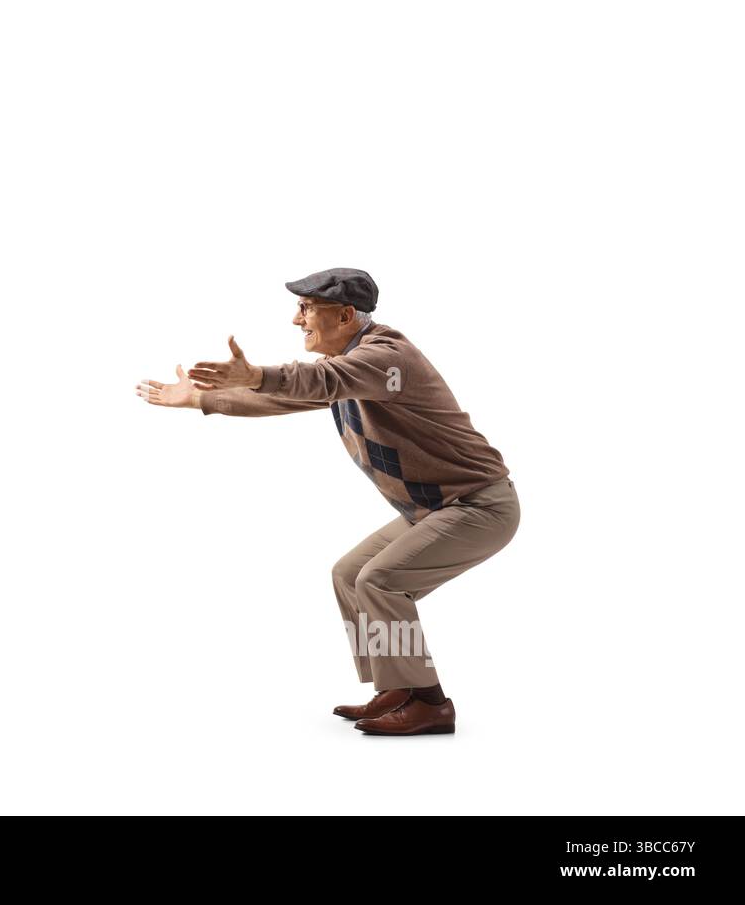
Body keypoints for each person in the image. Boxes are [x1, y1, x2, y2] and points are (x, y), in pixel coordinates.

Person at [136, 268, 519, 735]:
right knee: (349, 574)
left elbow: (314, 381)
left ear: (344, 314)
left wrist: (257, 374)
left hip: (478, 506)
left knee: (381, 580)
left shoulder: (385, 357)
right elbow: (286, 397)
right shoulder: (353, 367)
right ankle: (397, 686)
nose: (296, 319)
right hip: (435, 508)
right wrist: (202, 399)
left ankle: (431, 704)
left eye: (306, 308)